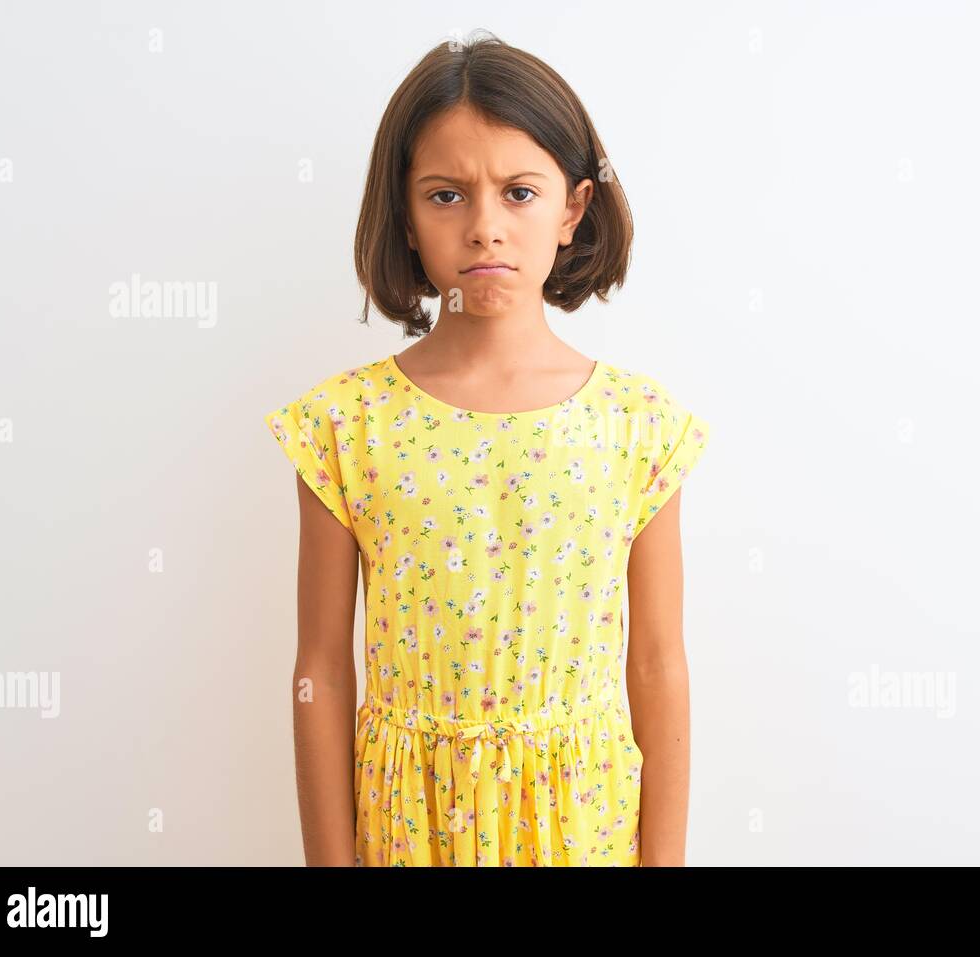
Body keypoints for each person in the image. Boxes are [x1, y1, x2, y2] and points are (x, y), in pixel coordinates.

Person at [262, 32, 711, 866]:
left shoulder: (638, 426)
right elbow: (320, 670)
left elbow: (656, 665)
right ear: (403, 212)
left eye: (518, 192)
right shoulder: (343, 427)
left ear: (572, 209)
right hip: (408, 832)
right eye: (445, 196)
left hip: (585, 831)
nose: (484, 228)